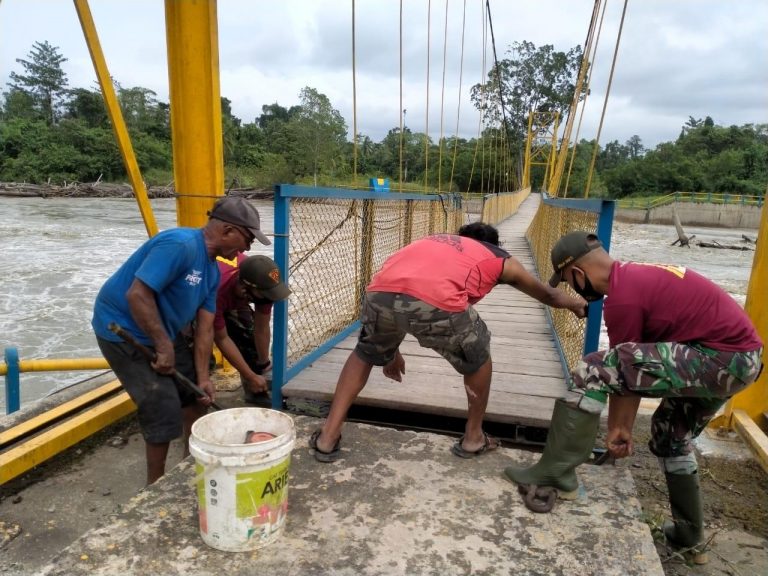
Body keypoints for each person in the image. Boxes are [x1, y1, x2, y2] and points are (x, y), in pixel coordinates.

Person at [504, 230, 763, 559]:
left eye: (569, 282)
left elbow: (622, 374)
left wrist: (618, 429)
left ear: (578, 274)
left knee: (594, 369)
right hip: (742, 360)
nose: (573, 288)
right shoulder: (634, 276)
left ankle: (556, 470)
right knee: (670, 433)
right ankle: (689, 537)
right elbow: (637, 372)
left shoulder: (622, 298)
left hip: (720, 357)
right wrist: (621, 428)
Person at [309, 223, 588, 463]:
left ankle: (328, 436)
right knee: (478, 356)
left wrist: (388, 350)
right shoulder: (499, 256)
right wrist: (577, 305)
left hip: (378, 293)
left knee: (364, 353)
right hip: (437, 302)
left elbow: (404, 289)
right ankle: (473, 437)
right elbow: (549, 296)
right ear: (494, 243)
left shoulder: (430, 240)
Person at [92, 196, 271, 484]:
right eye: (247, 239)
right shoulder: (180, 244)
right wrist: (163, 346)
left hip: (162, 329)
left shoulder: (212, 271)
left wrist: (203, 378)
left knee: (197, 399)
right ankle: (155, 486)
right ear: (227, 231)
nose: (247, 249)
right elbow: (137, 295)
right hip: (123, 329)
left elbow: (205, 329)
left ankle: (190, 468)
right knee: (162, 409)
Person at [214, 253, 291, 404]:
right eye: (265, 295)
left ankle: (255, 390)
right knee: (193, 343)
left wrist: (264, 364)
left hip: (235, 296)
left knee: (248, 337)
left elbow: (261, 328)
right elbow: (221, 338)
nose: (268, 299)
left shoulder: (264, 288)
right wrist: (249, 375)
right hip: (199, 298)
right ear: (244, 288)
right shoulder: (216, 290)